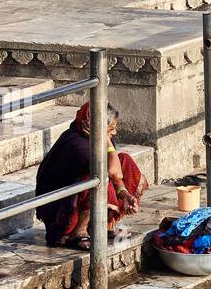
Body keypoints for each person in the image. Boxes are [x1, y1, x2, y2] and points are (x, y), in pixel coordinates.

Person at [35, 102, 146, 250]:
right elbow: (114, 172)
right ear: (96, 127)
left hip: (76, 200)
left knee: (125, 159)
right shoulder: (76, 144)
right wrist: (105, 138)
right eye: (111, 129)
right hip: (61, 214)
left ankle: (101, 225)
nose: (115, 133)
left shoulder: (98, 139)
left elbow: (117, 172)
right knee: (95, 175)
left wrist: (124, 194)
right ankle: (76, 233)